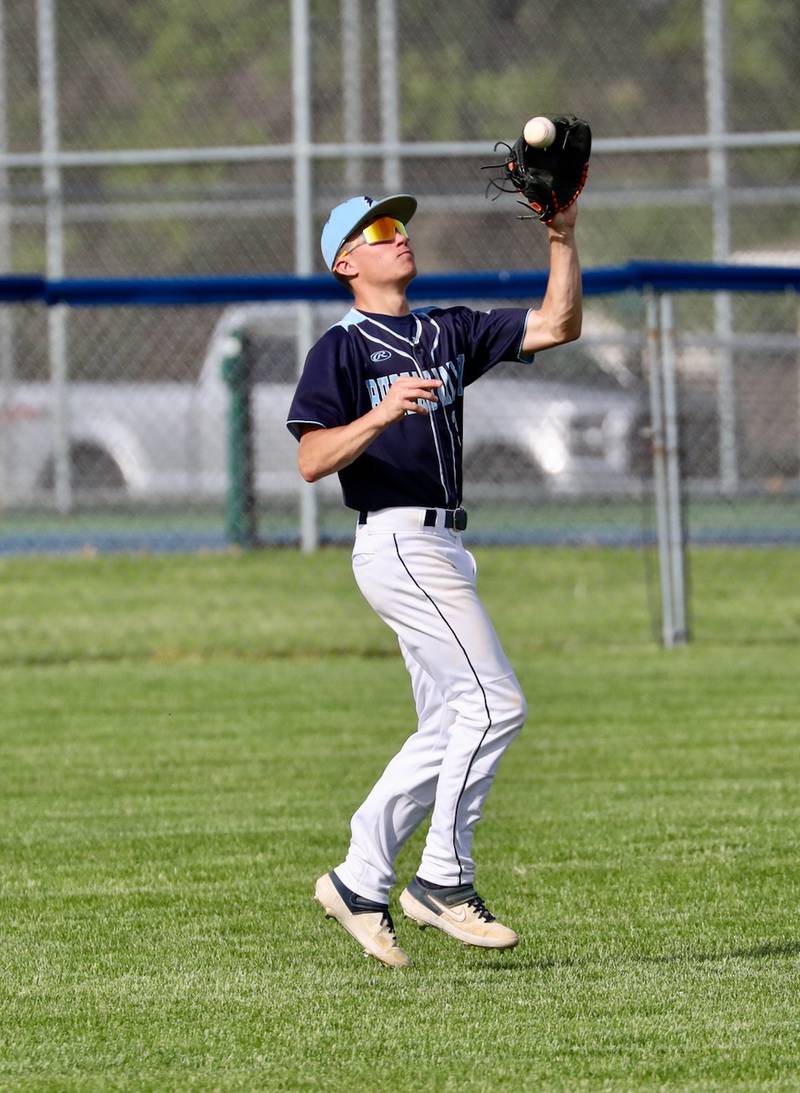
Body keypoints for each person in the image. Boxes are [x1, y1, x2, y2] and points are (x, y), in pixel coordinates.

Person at [286, 191, 582, 967]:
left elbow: (557, 324)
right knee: (496, 701)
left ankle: (358, 880)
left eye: (402, 227)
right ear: (346, 263)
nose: (400, 237)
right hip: (396, 541)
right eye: (380, 231)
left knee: (450, 723)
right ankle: (444, 881)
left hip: (447, 549)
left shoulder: (445, 328)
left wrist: (562, 235)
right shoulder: (342, 349)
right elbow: (311, 459)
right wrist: (379, 416)